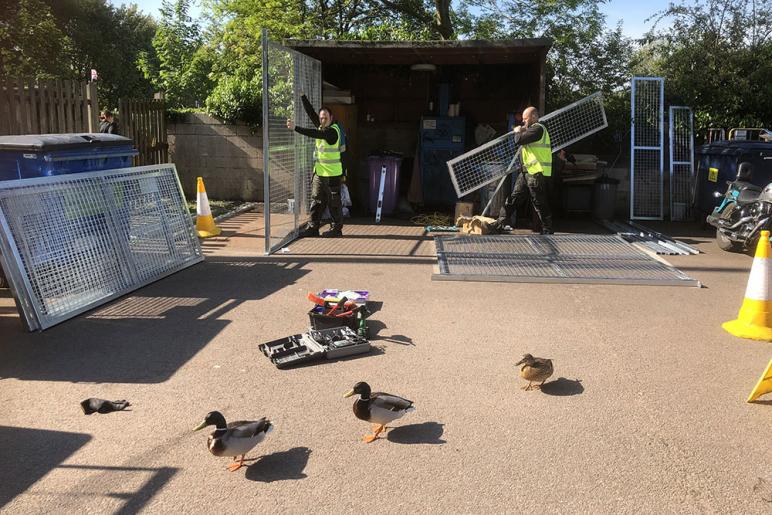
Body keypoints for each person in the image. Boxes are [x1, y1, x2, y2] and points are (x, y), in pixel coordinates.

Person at [286, 95, 345, 238]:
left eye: (325, 117)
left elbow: (314, 133)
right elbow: (311, 113)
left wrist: (296, 128)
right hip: (319, 173)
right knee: (316, 201)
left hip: (332, 175)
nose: (322, 120)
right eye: (321, 118)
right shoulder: (322, 125)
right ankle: (313, 228)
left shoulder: (332, 132)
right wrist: (302, 96)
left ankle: (336, 229)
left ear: (331, 117)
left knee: (334, 204)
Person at [494, 106, 554, 234]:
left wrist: (517, 131)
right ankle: (500, 223)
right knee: (514, 198)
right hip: (527, 171)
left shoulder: (538, 129)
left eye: (525, 119)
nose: (523, 122)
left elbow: (519, 140)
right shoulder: (532, 129)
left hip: (536, 171)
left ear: (533, 117)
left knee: (539, 201)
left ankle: (547, 228)